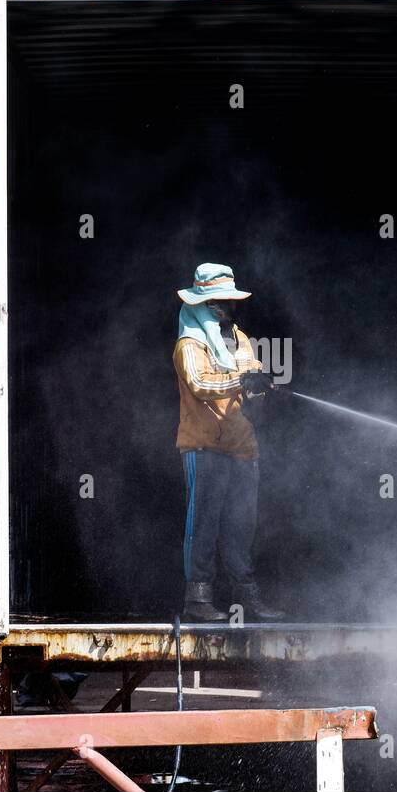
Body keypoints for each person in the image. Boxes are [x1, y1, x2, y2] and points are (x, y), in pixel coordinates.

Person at [173, 263, 285, 622]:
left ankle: (247, 599)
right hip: (203, 445)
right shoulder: (188, 345)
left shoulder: (241, 339)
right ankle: (198, 601)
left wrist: (261, 387)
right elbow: (200, 385)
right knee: (202, 524)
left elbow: (249, 380)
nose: (225, 307)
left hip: (242, 445)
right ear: (201, 303)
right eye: (218, 301)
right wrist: (242, 382)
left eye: (227, 301)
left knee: (241, 524)